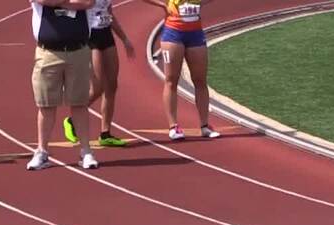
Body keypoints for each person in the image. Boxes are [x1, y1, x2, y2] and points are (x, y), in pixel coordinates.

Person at [27, 0, 98, 171]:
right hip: (48, 52)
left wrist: (58, 3)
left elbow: (88, 2)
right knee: (46, 104)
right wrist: (70, 2)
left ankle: (86, 151)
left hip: (78, 51)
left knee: (79, 103)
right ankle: (42, 151)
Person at [61, 0, 132, 148]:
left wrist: (124, 38)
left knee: (112, 86)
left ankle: (105, 133)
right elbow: (70, 11)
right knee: (98, 87)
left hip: (106, 35)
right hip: (90, 37)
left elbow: (110, 14)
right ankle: (71, 120)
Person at [145, 0, 219, 141]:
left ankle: (204, 126)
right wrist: (162, 5)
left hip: (196, 34)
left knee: (200, 80)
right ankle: (173, 126)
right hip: (173, 33)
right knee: (171, 80)